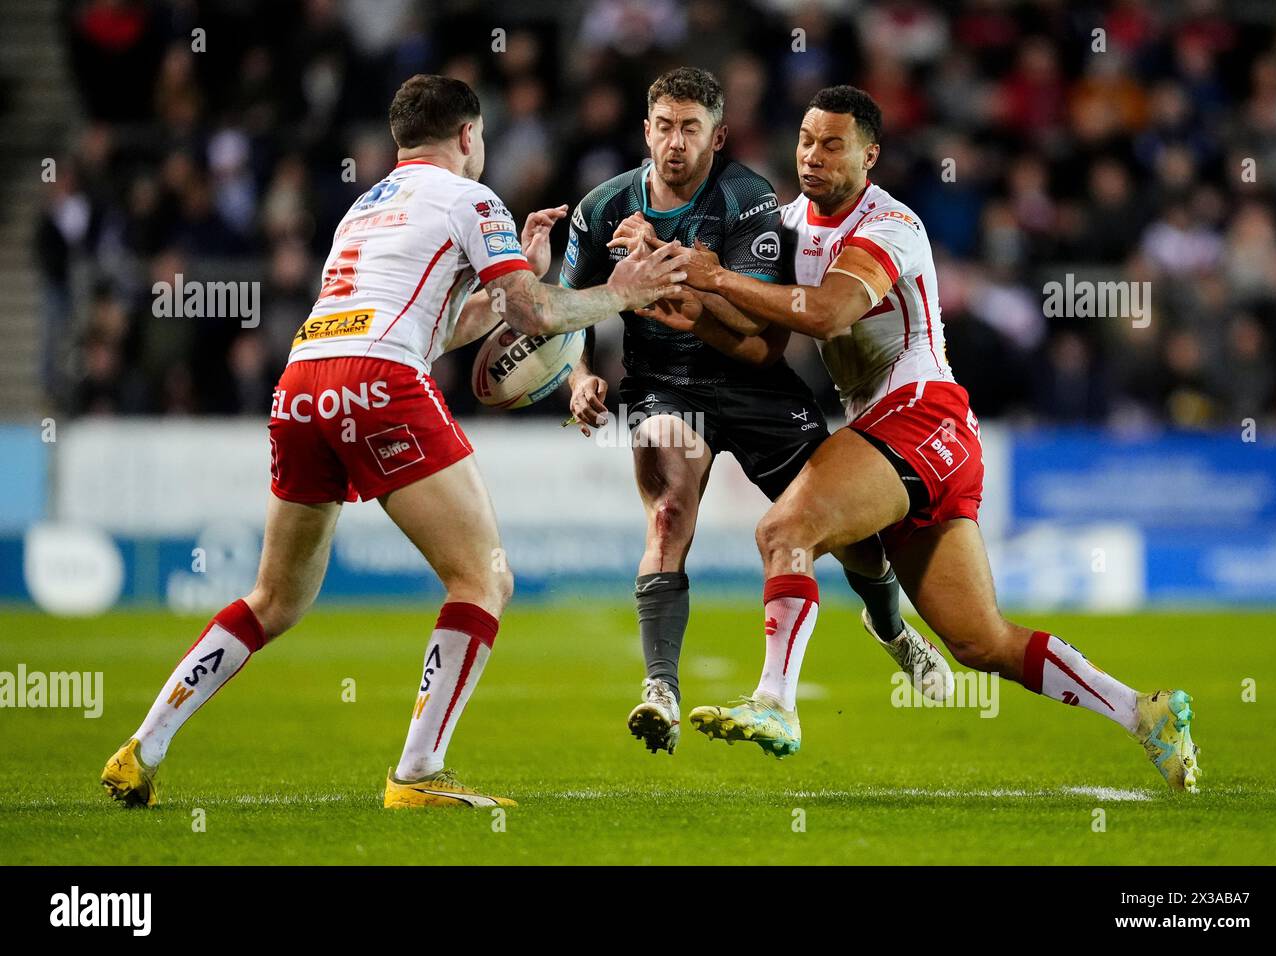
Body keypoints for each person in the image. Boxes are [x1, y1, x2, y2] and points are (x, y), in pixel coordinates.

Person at [100, 74, 687, 810]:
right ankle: (416, 775)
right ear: (470, 136)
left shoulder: (363, 208)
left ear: (399, 141)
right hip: (378, 384)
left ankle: (141, 749)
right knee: (484, 580)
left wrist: (520, 280)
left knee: (274, 598)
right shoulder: (473, 199)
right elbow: (533, 318)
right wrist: (623, 292)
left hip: (302, 383)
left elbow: (434, 328)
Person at [663, 86, 1199, 791]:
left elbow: (825, 316)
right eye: (805, 139)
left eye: (833, 144)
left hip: (920, 413)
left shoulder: (892, 225)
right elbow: (764, 346)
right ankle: (1144, 712)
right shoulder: (786, 226)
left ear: (870, 155)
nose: (812, 156)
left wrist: (718, 277)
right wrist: (689, 308)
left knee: (784, 530)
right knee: (981, 642)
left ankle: (777, 702)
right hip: (915, 437)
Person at [561, 67, 949, 757]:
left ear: (718, 136)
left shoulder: (750, 202)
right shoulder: (599, 208)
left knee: (849, 539)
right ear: (644, 130)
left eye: (690, 128)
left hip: (754, 383)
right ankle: (660, 690)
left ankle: (889, 626)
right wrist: (580, 376)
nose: (675, 143)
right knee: (669, 508)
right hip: (662, 384)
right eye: (663, 126)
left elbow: (761, 344)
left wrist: (677, 276)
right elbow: (569, 312)